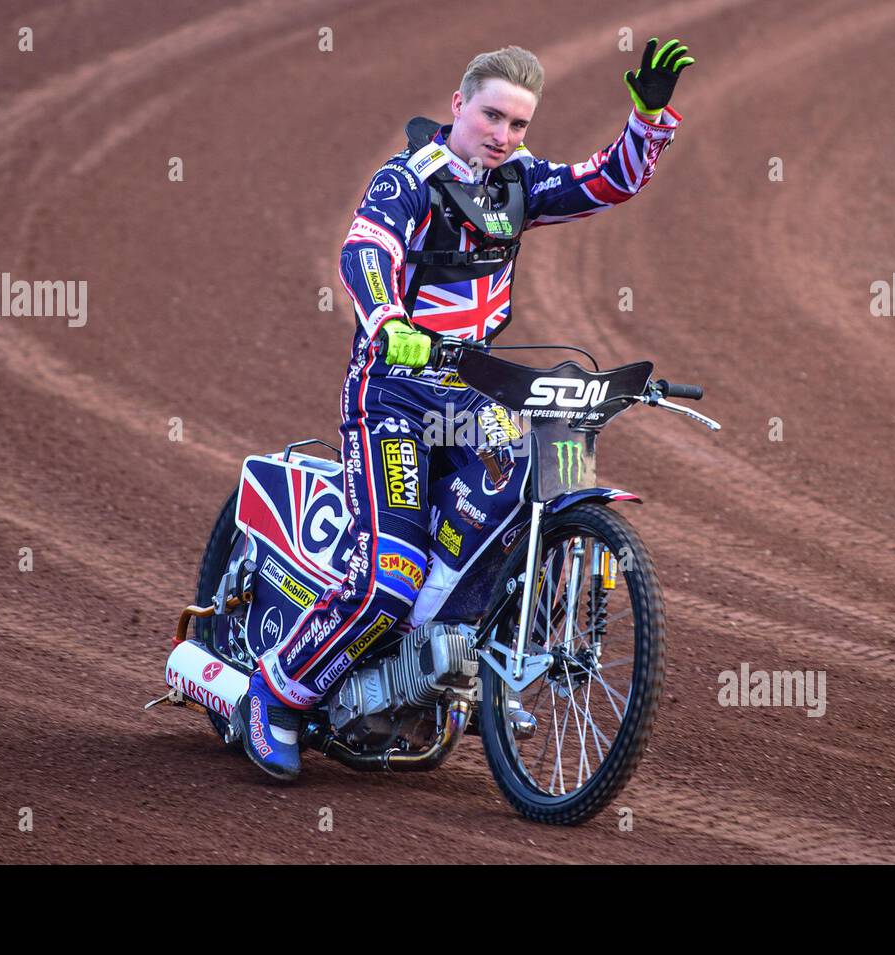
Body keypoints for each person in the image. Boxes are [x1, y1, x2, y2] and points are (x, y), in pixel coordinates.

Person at [235, 38, 695, 779]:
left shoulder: (520, 181)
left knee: (522, 495)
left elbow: (609, 183)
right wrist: (387, 319)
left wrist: (648, 119)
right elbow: (365, 250)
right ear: (458, 106)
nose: (504, 135)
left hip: (474, 391)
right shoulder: (408, 179)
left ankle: (466, 659)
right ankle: (275, 690)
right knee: (390, 576)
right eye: (491, 115)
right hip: (394, 393)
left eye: (518, 123)